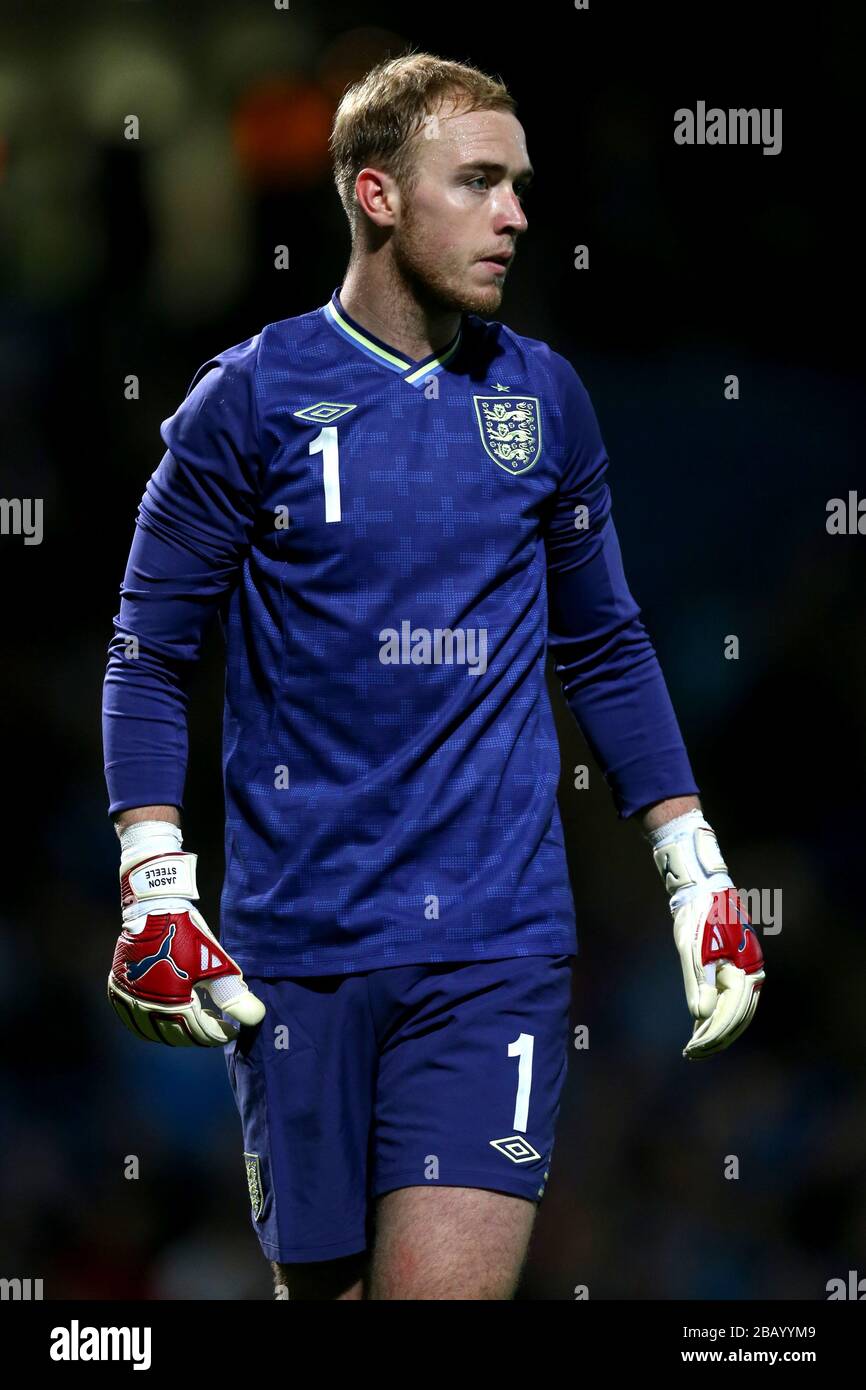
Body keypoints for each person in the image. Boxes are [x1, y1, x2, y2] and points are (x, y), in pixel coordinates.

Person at [102, 51, 765, 1301]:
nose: (515, 214)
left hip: (492, 946)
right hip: (293, 948)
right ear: (376, 195)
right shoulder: (247, 403)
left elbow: (606, 641)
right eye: (477, 181)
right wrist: (151, 884)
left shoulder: (543, 400)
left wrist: (694, 866)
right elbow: (148, 650)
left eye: (518, 184)